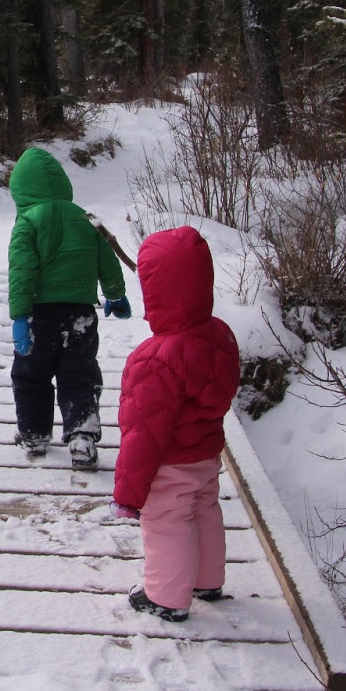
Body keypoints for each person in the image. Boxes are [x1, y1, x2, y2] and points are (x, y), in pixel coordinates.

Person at [110, 225, 241, 623]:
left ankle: (166, 597)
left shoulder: (155, 359)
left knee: (167, 521)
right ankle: (206, 580)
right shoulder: (219, 334)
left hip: (170, 461)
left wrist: (129, 494)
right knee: (204, 510)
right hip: (204, 452)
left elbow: (143, 436)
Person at [7, 146, 130, 470]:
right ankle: (82, 437)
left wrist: (20, 316)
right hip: (80, 314)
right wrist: (115, 295)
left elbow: (22, 272)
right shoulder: (85, 217)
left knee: (31, 375)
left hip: (39, 316)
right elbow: (107, 259)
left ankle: (34, 434)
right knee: (79, 374)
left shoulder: (27, 223)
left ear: (21, 190)